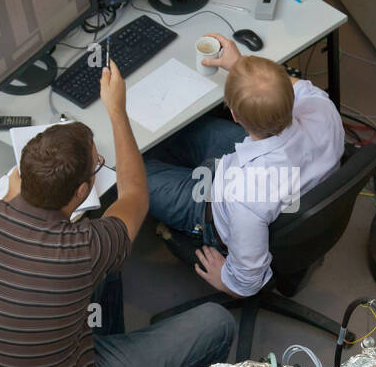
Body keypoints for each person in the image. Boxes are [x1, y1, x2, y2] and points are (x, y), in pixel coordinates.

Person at [0, 61, 235, 367]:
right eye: (96, 169)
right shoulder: (82, 248)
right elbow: (135, 196)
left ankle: (106, 344)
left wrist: (7, 209)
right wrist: (117, 112)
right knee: (217, 323)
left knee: (110, 269)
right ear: (79, 193)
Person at [144, 33, 344, 297]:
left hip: (214, 207)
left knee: (132, 175)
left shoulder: (245, 196)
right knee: (180, 130)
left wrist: (227, 282)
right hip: (261, 167)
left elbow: (248, 280)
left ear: (235, 115)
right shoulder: (321, 107)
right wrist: (241, 66)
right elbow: (290, 84)